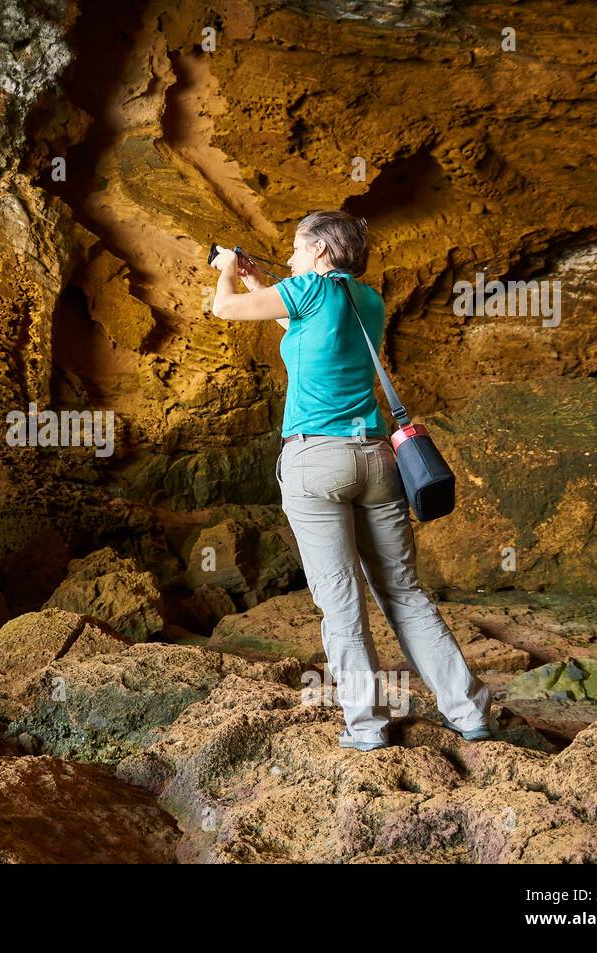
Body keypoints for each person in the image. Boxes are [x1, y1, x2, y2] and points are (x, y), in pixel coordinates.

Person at [208, 211, 492, 751]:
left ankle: (367, 726)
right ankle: (468, 712)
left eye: (295, 250)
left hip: (317, 463)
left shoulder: (307, 288)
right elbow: (303, 329)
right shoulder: (367, 301)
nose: (289, 258)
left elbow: (224, 309)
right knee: (404, 593)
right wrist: (256, 282)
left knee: (341, 601)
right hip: (377, 462)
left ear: (317, 253)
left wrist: (225, 269)